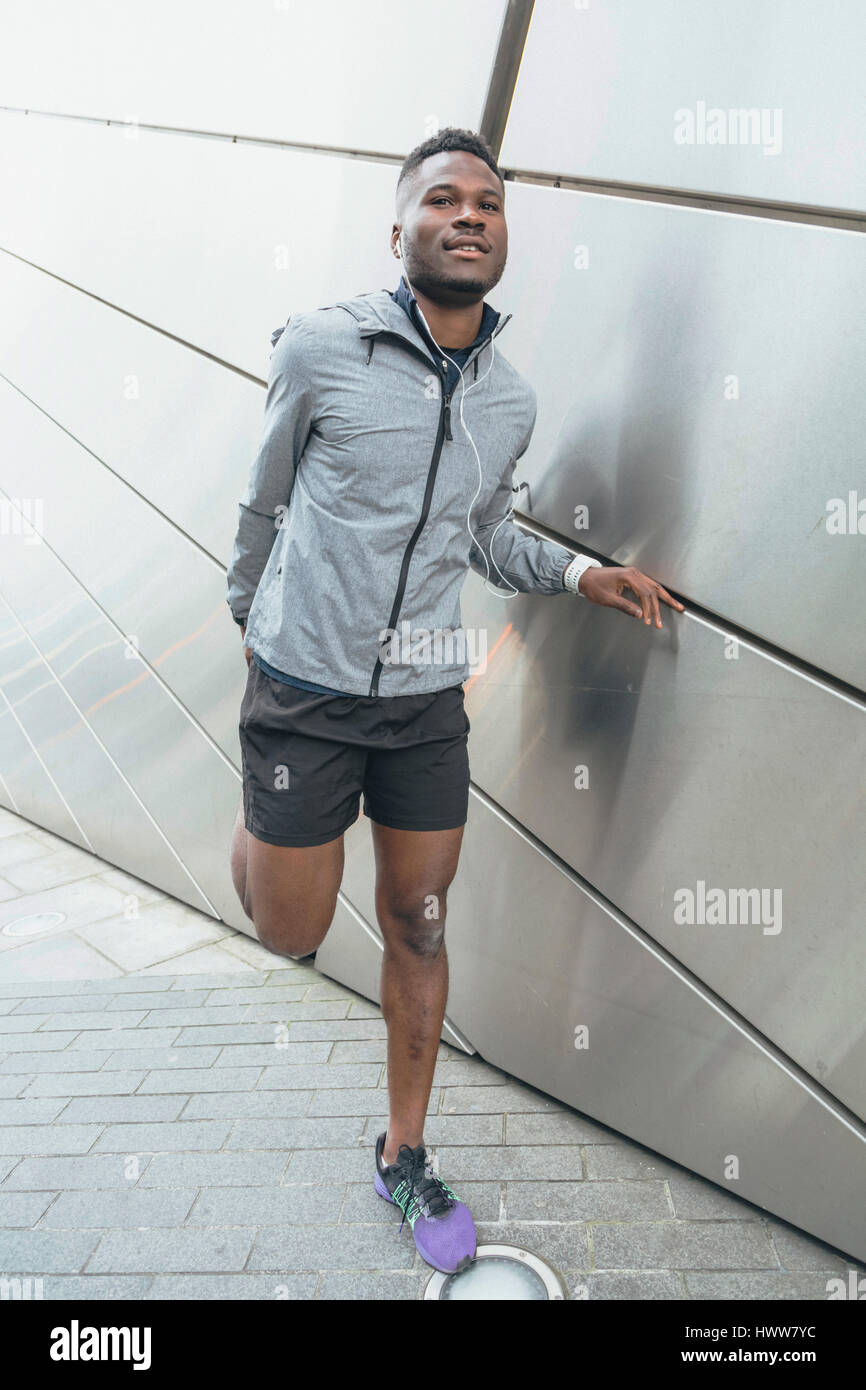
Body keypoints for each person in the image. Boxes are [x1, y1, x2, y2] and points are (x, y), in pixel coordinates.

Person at [225, 126, 684, 1275]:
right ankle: (264, 818)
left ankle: (405, 1147)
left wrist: (584, 572)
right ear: (401, 231)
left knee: (417, 922)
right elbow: (263, 497)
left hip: (424, 695)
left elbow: (485, 539)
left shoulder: (509, 401)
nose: (469, 213)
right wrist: (254, 620)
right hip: (304, 691)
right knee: (287, 927)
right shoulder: (322, 350)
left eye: (487, 201)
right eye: (442, 199)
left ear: (501, 236)